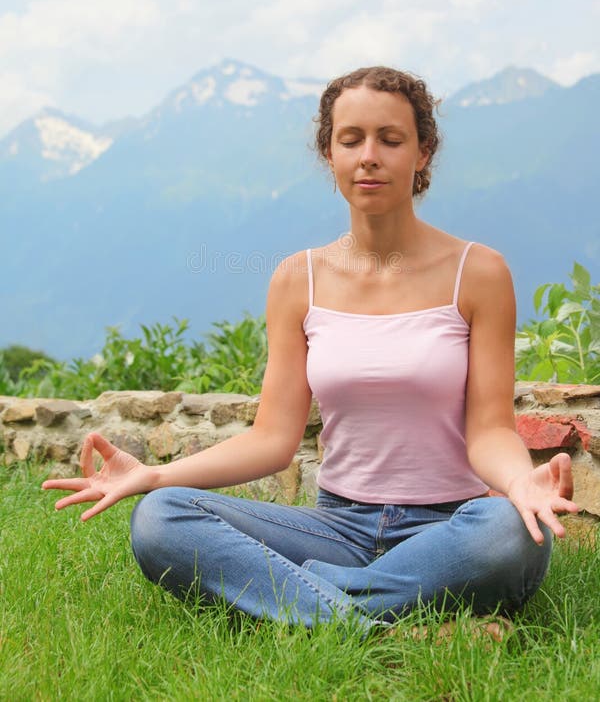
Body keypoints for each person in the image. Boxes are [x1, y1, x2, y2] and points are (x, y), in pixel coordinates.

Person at [42, 66, 578, 633]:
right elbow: (273, 439)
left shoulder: (480, 272)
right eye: (351, 140)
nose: (369, 156)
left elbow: (491, 429)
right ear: (330, 154)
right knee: (161, 519)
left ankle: (307, 603)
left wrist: (519, 482)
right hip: (336, 530)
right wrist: (153, 475)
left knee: (510, 531)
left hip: (448, 530)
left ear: (423, 152)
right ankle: (381, 623)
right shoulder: (298, 279)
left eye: (390, 140)